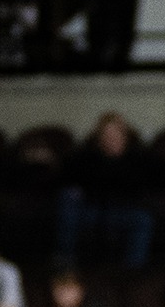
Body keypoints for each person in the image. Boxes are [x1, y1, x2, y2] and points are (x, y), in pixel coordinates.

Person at [56, 111, 154, 270]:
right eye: (107, 134)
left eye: (116, 133)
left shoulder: (138, 157)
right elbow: (68, 179)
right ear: (99, 137)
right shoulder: (86, 156)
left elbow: (144, 185)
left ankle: (132, 272)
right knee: (67, 197)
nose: (111, 138)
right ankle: (64, 262)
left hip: (122, 210)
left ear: (125, 135)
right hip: (92, 209)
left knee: (142, 219)